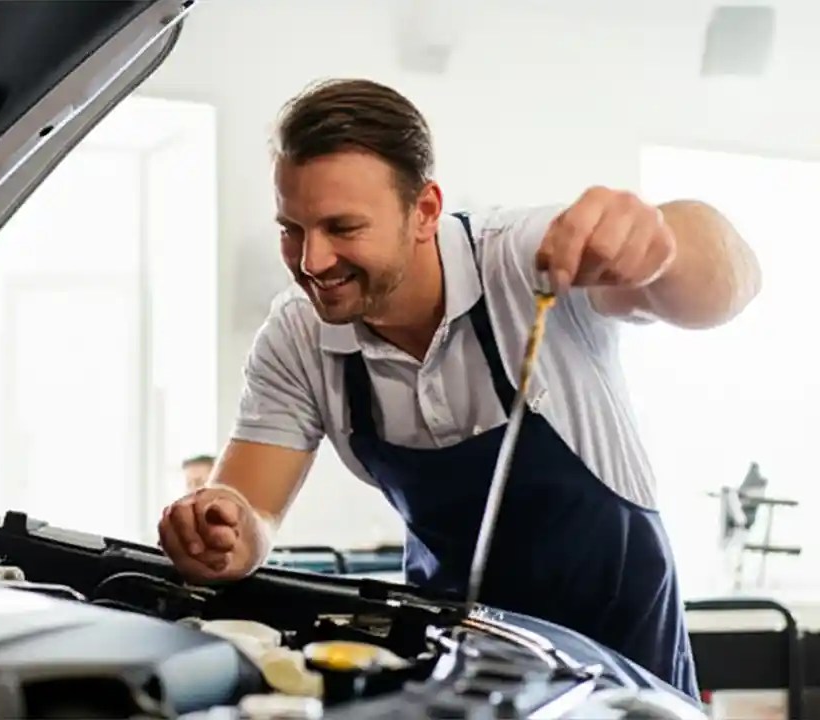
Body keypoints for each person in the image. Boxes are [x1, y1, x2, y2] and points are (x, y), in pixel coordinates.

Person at [156, 78, 761, 698]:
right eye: (292, 228)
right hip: (462, 674)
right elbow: (250, 512)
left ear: (424, 212)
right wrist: (221, 530)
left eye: (343, 227)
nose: (313, 260)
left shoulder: (528, 263)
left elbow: (728, 283)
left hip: (620, 671)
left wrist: (665, 243)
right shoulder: (297, 335)